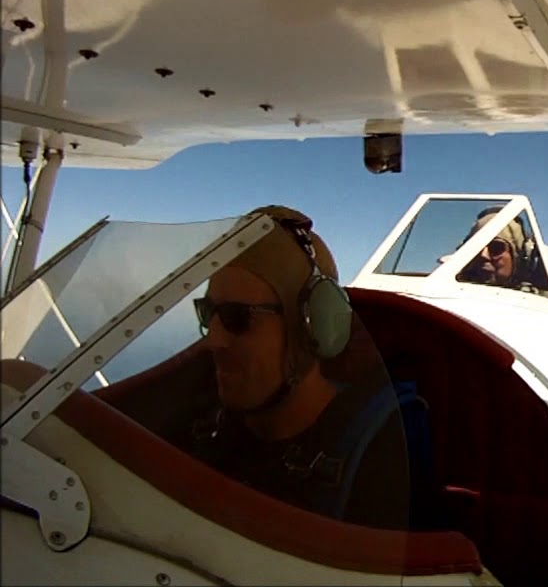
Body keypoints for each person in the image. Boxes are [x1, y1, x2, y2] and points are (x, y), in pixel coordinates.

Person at [174, 205, 439, 530]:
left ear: (313, 326)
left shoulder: (381, 454)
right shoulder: (200, 413)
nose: (214, 340)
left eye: (237, 317)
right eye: (208, 313)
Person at [456, 207, 548, 298]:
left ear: (520, 257)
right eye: (476, 248)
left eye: (496, 247)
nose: (483, 255)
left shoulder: (541, 304)